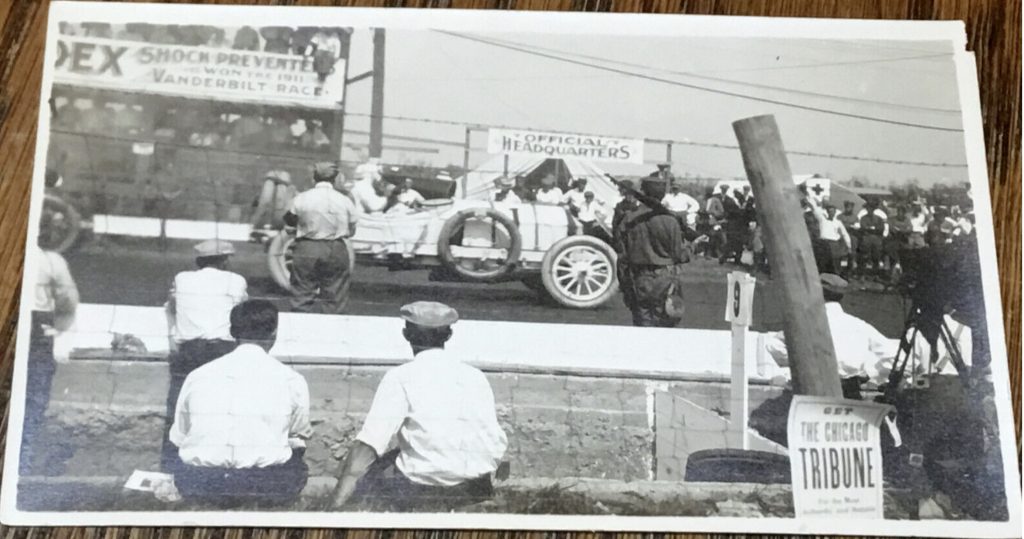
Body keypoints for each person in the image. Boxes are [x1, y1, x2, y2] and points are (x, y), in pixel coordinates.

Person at [330, 302, 508, 512]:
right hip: (475, 485)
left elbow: (370, 443)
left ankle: (362, 515)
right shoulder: (475, 376)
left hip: (422, 487)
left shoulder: (400, 377)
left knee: (369, 466)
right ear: (449, 335)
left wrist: (334, 504)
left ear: (406, 335)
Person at [169, 300, 313, 505]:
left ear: (231, 331)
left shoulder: (198, 376)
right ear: (274, 333)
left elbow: (179, 436)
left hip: (200, 482)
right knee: (295, 451)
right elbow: (298, 432)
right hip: (264, 485)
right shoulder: (291, 379)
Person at [751, 274, 899, 446]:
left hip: (811, 389)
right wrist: (872, 373)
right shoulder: (859, 326)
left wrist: (800, 363)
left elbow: (774, 345)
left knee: (792, 433)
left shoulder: (804, 323)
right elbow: (893, 355)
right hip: (849, 393)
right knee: (850, 439)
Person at [162, 239, 248, 471]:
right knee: (225, 410)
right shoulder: (236, 281)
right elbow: (242, 310)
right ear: (225, 260)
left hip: (190, 351)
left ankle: (170, 467)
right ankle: (220, 466)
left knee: (179, 409)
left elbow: (171, 306)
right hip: (222, 351)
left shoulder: (182, 279)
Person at [21, 241, 79, 474]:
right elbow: (67, 299)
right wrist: (59, 327)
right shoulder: (48, 260)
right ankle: (21, 460)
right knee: (33, 395)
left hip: (34, 324)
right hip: (36, 325)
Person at [613, 177, 690, 328]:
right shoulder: (671, 220)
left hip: (639, 279)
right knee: (666, 327)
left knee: (643, 326)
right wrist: (692, 247)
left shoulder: (629, 219)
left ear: (643, 192)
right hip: (666, 279)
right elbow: (678, 256)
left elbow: (622, 257)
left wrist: (625, 286)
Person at [284, 162, 359, 313]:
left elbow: (289, 220)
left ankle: (300, 322)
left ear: (314, 178)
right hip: (336, 247)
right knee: (335, 297)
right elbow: (352, 229)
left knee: (302, 293)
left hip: (307, 247)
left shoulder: (302, 198)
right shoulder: (344, 200)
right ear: (335, 178)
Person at [817, 205, 852, 276]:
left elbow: (844, 234)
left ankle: (838, 275)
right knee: (823, 260)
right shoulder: (822, 220)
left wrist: (849, 245)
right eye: (830, 211)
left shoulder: (838, 222)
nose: (831, 213)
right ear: (827, 212)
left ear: (835, 212)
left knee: (836, 260)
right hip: (823, 243)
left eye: (833, 211)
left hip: (834, 243)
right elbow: (815, 209)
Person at [857, 199, 889, 277]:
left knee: (876, 256)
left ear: (874, 209)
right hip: (866, 238)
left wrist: (871, 229)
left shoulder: (879, 218)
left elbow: (881, 228)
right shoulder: (863, 218)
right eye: (868, 208)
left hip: (876, 239)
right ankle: (862, 274)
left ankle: (875, 274)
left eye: (871, 208)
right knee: (864, 256)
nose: (870, 210)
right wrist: (873, 228)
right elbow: (863, 227)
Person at [836, 201, 861, 276]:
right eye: (847, 207)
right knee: (841, 253)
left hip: (852, 236)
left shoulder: (855, 217)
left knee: (852, 253)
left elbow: (857, 226)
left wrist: (852, 226)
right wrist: (849, 226)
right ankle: (839, 270)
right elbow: (838, 226)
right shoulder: (840, 216)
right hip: (842, 237)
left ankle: (850, 270)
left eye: (850, 207)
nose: (849, 209)